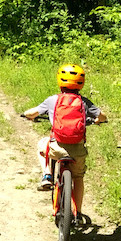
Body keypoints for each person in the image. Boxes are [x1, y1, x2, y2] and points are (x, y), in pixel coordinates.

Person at [22, 63, 107, 227]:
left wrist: (27, 115)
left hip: (57, 148)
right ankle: (78, 214)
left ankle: (47, 175)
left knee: (42, 144)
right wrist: (96, 120)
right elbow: (102, 116)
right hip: (77, 151)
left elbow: (33, 113)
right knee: (78, 178)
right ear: (81, 84)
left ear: (60, 81)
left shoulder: (53, 100)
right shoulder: (84, 102)